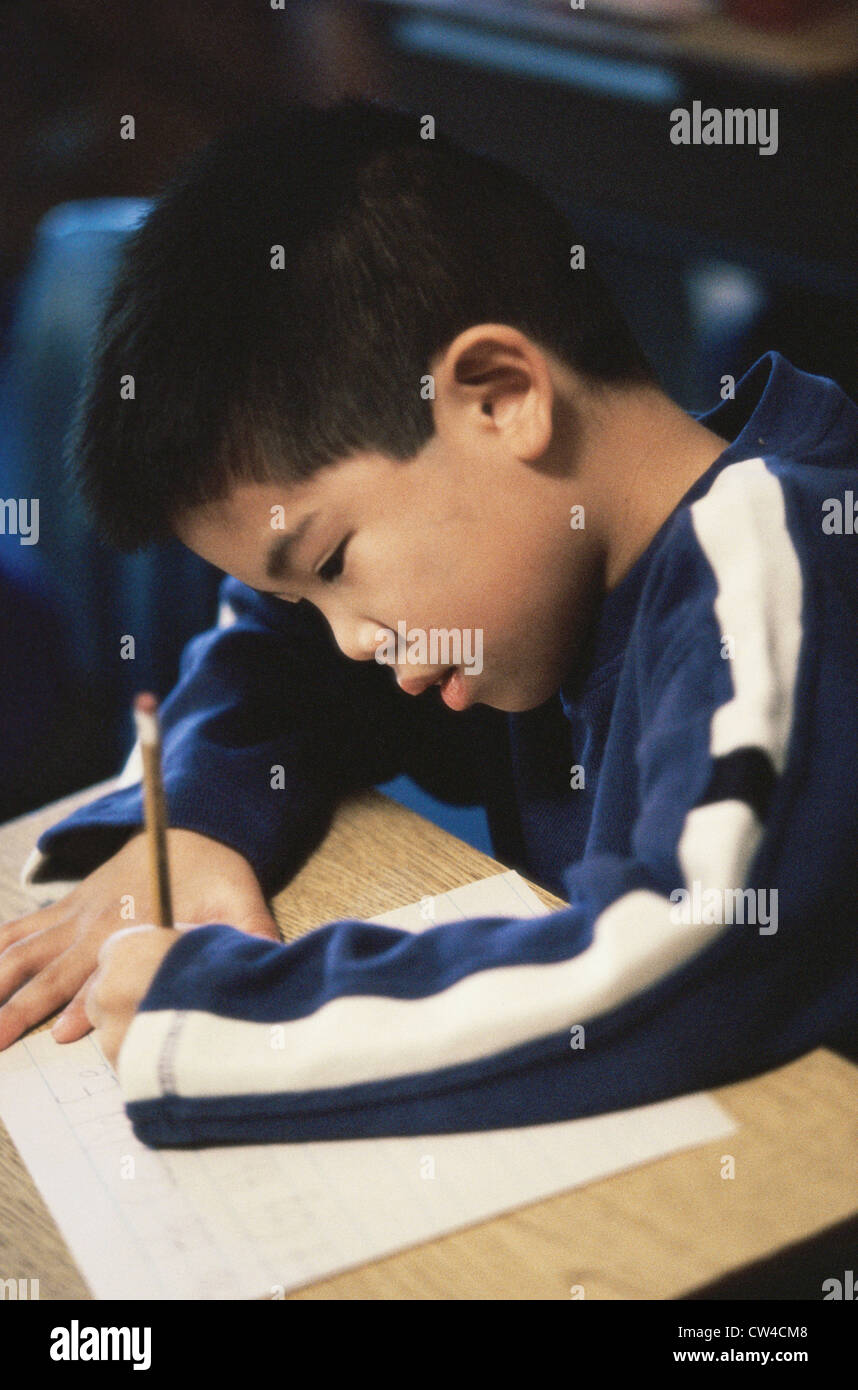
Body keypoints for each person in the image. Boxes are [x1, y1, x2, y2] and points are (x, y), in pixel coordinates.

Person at [2, 100, 857, 1147]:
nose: (351, 640)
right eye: (303, 597)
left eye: (329, 564)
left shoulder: (784, 561)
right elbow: (265, 655)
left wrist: (225, 1017)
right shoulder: (528, 575)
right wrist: (194, 818)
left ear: (500, 399)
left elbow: (691, 954)